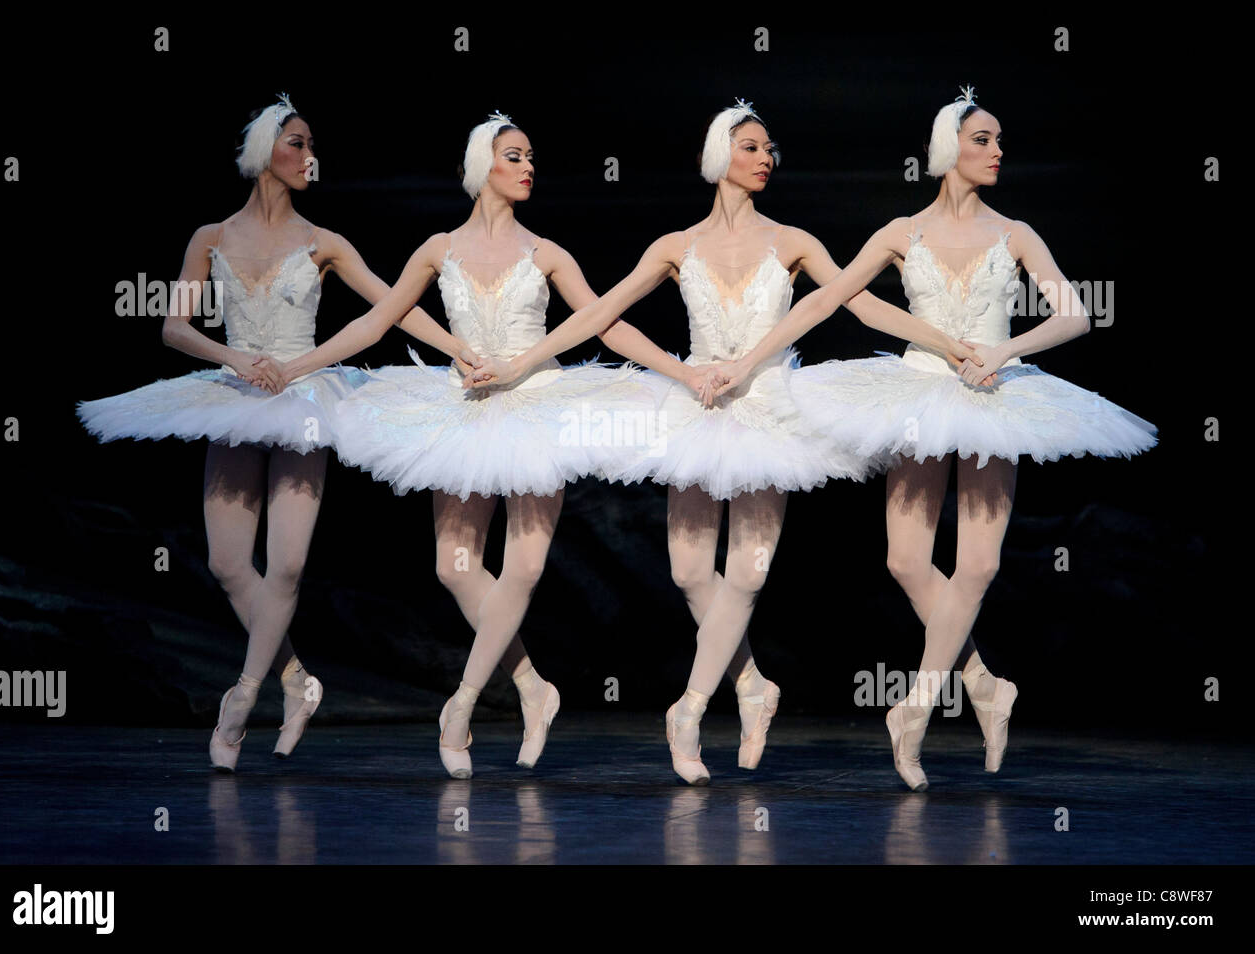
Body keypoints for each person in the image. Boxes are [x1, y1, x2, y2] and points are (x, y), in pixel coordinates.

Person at [466, 100, 984, 784]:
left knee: (747, 571)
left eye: (770, 148)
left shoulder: (794, 242)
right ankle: (754, 685)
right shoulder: (677, 246)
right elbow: (599, 314)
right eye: (750, 146)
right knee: (687, 568)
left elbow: (858, 302)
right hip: (700, 408)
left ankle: (688, 707)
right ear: (720, 156)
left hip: (768, 410)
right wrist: (527, 363)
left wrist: (950, 344)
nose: (765, 157)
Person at [705, 87, 1158, 789]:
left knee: (977, 565)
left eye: (1001, 140)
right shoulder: (899, 232)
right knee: (906, 561)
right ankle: (983, 685)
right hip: (917, 392)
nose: (998, 151)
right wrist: (743, 359)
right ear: (950, 148)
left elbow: (1074, 315)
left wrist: (1006, 352)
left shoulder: (1017, 233)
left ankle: (914, 709)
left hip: (991, 393)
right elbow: (831, 298)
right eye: (984, 139)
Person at [276, 112, 710, 778]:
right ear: (483, 166)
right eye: (514, 156)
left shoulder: (547, 253)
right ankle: (536, 688)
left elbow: (605, 324)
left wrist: (683, 371)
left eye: (531, 156)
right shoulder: (436, 248)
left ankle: (464, 703)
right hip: (466, 410)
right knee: (454, 566)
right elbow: (374, 321)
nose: (528, 165)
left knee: (527, 569)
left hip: (535, 406)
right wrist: (293, 369)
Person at [77, 95, 482, 772]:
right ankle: (299, 682)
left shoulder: (324, 242)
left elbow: (390, 306)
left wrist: (458, 348)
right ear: (267, 151)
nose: (308, 155)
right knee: (229, 564)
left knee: (287, 564)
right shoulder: (210, 236)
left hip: (304, 396)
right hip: (236, 393)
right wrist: (232, 356)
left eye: (311, 144)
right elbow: (174, 326)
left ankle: (241, 699)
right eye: (297, 143)